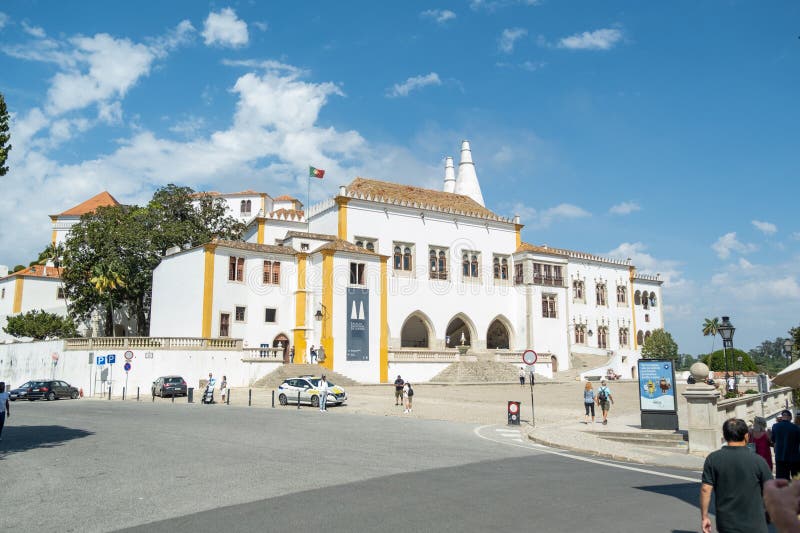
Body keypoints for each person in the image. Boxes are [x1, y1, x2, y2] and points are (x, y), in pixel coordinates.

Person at [700, 418, 773, 533]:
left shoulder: (713, 459)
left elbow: (705, 489)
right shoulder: (758, 461)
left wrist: (705, 517)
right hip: (755, 523)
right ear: (746, 436)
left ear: (724, 436)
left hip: (727, 523)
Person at [772, 410, 800, 480]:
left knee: (782, 481)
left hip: (780, 458)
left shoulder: (775, 426)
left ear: (782, 417)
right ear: (790, 417)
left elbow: (773, 440)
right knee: (796, 479)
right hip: (794, 458)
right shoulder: (796, 428)